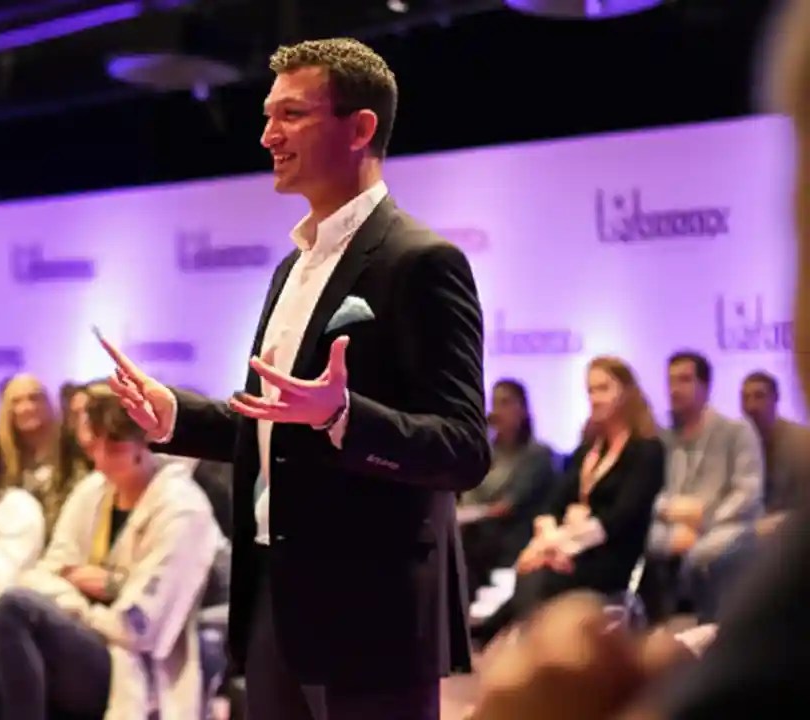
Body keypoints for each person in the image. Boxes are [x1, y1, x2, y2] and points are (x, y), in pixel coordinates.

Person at [99, 37, 489, 720]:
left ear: (360, 128)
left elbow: (462, 448)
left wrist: (345, 416)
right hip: (279, 601)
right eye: (267, 115)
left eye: (291, 116)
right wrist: (176, 417)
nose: (266, 136)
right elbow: (279, 422)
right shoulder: (293, 266)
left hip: (375, 617)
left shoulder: (423, 261)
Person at [468, 0, 810, 716]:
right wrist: (550, 536)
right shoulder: (593, 447)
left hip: (634, 560)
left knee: (697, 556)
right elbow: (585, 507)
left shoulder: (686, 451)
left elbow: (675, 513)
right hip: (606, 562)